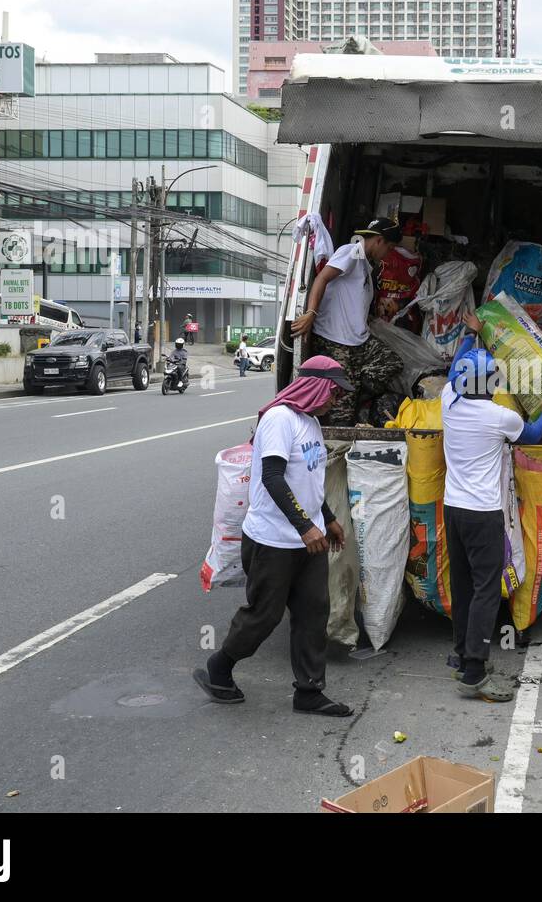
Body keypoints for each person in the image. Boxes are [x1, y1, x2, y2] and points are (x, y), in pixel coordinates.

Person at [194, 355, 354, 715]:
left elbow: (309, 481)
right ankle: (220, 667)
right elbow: (273, 478)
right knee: (263, 615)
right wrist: (305, 526)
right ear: (315, 386)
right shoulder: (280, 420)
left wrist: (326, 518)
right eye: (334, 392)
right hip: (272, 541)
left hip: (306, 538)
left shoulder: (310, 421)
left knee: (314, 611)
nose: (336, 400)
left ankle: (309, 692)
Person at [444, 312, 542, 701]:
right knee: (486, 589)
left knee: (463, 585)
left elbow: (453, 372)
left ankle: (462, 654)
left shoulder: (449, 401)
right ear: (492, 383)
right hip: (482, 513)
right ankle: (475, 671)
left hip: (452, 509)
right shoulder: (499, 417)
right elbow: (531, 434)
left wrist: (468, 337)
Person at [289, 218, 405, 426]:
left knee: (391, 362)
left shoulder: (366, 268)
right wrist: (311, 313)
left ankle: (354, 389)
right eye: (389, 248)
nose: (388, 254)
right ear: (379, 241)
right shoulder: (352, 252)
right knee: (341, 418)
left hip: (358, 341)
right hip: (336, 340)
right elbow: (322, 279)